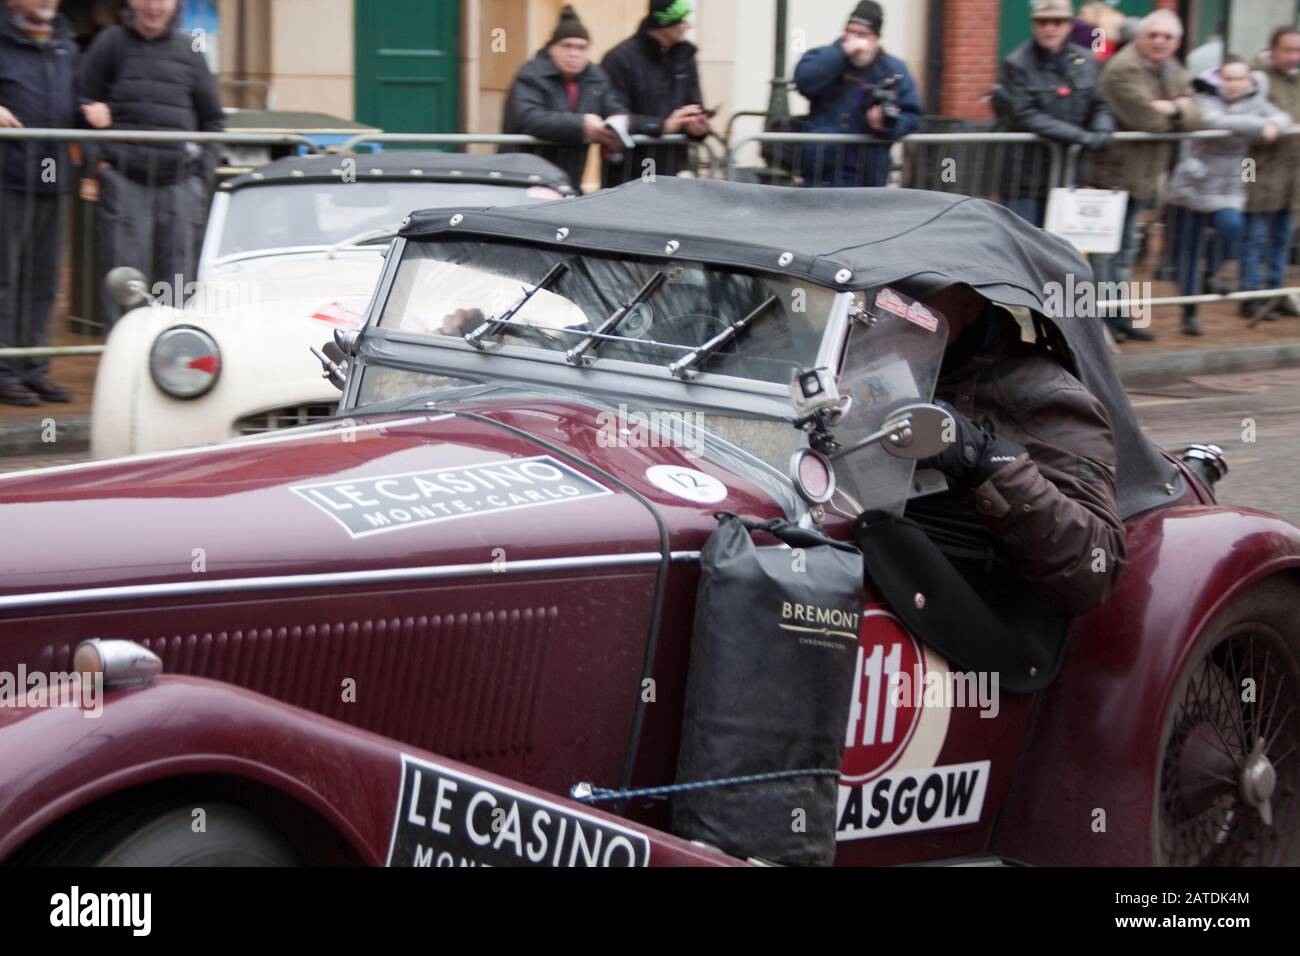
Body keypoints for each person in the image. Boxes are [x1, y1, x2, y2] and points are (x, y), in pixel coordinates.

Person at [907, 284, 1126, 616]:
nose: (891, 301)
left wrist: (982, 457)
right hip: (883, 573)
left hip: (983, 611)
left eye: (914, 290)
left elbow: (1095, 567)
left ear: (969, 305)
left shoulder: (1046, 394)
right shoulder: (858, 369)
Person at [78, 0, 224, 332]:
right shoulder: (109, 43)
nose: (154, 6)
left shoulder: (190, 50)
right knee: (124, 281)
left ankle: (171, 362)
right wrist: (99, 163)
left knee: (177, 282)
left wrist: (201, 176)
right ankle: (124, 361)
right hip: (124, 182)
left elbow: (213, 121)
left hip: (180, 185)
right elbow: (81, 105)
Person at [0, 0, 109, 405]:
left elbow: (69, 103)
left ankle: (35, 367)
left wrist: (89, 113)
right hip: (8, 178)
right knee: (6, 279)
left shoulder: (65, 43)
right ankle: (5, 369)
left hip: (52, 178)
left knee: (43, 282)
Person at [1088, 9, 1202, 343]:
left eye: (1167, 37)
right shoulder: (1124, 68)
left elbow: (1200, 115)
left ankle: (1119, 317)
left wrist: (1175, 108)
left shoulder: (1171, 68)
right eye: (1153, 35)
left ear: (1176, 42)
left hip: (1144, 176)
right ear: (1141, 36)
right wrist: (1177, 109)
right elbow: (1149, 122)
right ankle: (1100, 322)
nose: (1159, 41)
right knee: (1106, 254)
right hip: (1113, 176)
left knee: (1127, 252)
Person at [1166, 57, 1289, 335]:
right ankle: (1190, 312)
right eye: (1229, 78)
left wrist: (1275, 124)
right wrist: (1260, 126)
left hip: (1233, 180)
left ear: (1249, 81)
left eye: (1240, 79)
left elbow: (1282, 117)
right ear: (1220, 79)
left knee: (1233, 227)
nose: (1234, 85)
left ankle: (1212, 270)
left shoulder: (1256, 99)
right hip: (1194, 179)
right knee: (1189, 249)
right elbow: (1212, 120)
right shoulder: (1204, 95)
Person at [994, 0, 1113, 228]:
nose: (1050, 28)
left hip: (1070, 175)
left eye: (1057, 22)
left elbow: (1098, 104)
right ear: (1034, 26)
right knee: (1026, 246)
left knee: (1065, 248)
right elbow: (1025, 114)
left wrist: (1103, 129)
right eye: (1043, 22)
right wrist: (1081, 137)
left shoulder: (1085, 60)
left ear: (1069, 26)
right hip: (1026, 177)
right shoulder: (1017, 63)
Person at [792, 1, 922, 188]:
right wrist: (841, 53)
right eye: (849, 32)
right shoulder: (826, 57)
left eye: (861, 35)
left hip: (869, 176)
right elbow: (804, 81)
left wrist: (886, 126)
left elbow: (912, 115)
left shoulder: (893, 69)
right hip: (823, 174)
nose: (854, 40)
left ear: (875, 38)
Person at [502, 5, 630, 192]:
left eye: (581, 48)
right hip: (526, 177)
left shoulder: (596, 77)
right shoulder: (530, 74)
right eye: (567, 46)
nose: (574, 54)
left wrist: (620, 119)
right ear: (552, 48)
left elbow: (614, 106)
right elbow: (526, 118)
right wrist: (581, 124)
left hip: (571, 178)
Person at [601, 0, 709, 188]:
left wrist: (697, 127)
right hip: (630, 168)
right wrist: (662, 126)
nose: (688, 25)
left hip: (674, 166)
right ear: (664, 23)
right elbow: (614, 115)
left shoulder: (685, 56)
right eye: (682, 19)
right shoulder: (620, 59)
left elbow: (695, 102)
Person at [1242, 26, 1300, 321]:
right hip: (1257, 169)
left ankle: (1275, 293)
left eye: (1297, 51)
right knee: (1256, 235)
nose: (1294, 57)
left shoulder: (1296, 80)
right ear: (1273, 50)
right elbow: (1245, 125)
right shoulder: (1256, 79)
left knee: (1282, 236)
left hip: (1291, 174)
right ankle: (1250, 294)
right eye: (1288, 50)